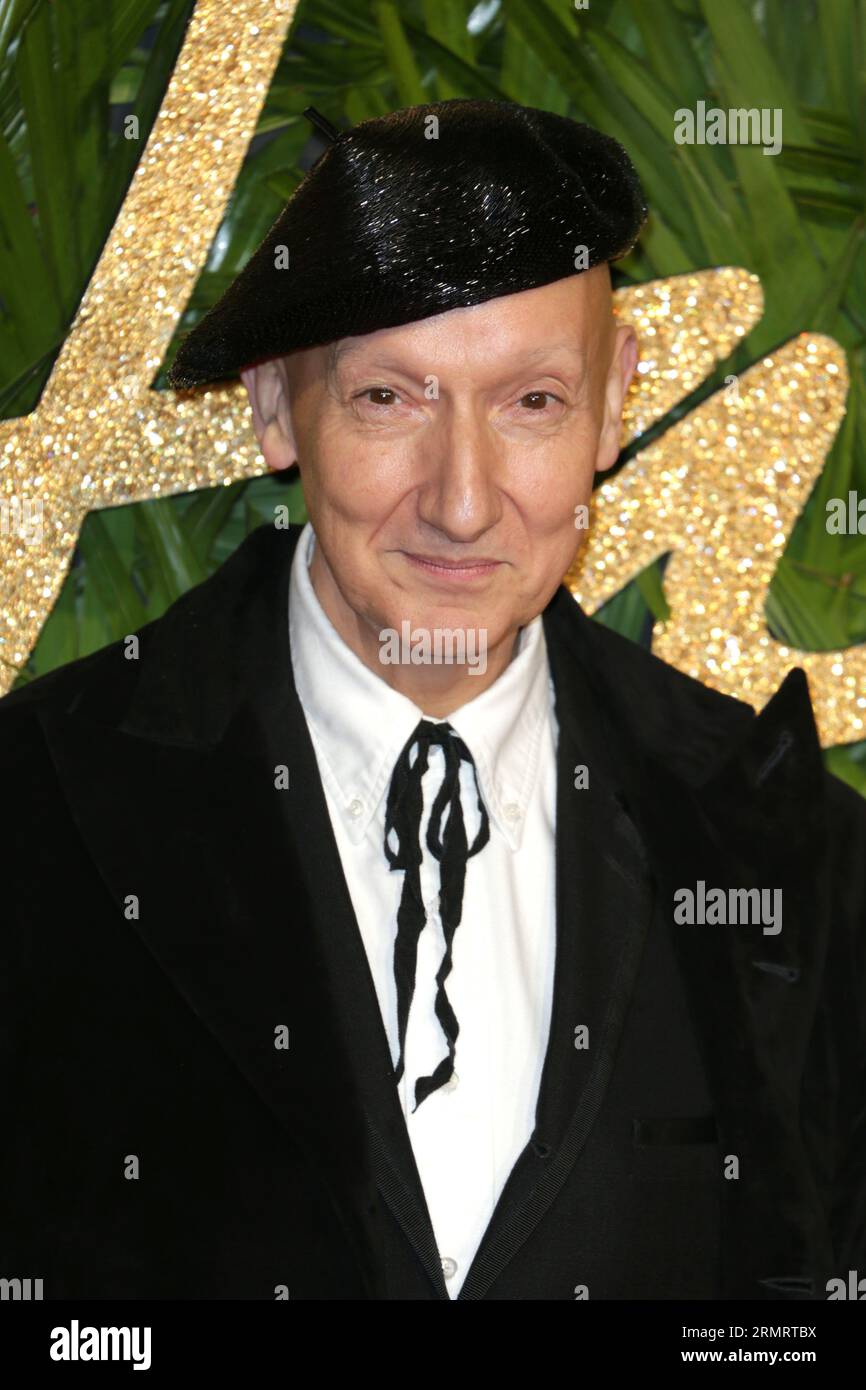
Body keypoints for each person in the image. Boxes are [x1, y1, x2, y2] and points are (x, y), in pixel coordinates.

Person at [1, 99, 863, 1302]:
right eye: (387, 399)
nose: (461, 503)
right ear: (270, 402)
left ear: (614, 399)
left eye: (531, 403)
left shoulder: (789, 849)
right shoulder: (35, 807)